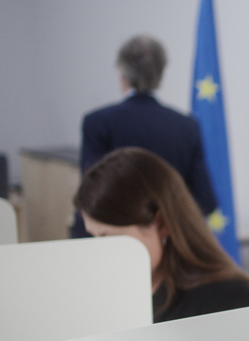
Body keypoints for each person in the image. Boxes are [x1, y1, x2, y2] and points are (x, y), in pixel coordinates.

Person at [75, 147, 249, 322]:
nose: (100, 252)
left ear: (162, 224)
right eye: (93, 236)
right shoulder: (108, 297)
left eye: (108, 238)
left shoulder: (229, 300)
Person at [72, 34, 216, 238]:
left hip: (109, 245)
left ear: (122, 74)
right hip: (169, 244)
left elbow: (92, 196)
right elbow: (205, 200)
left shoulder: (98, 122)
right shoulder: (187, 126)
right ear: (161, 73)